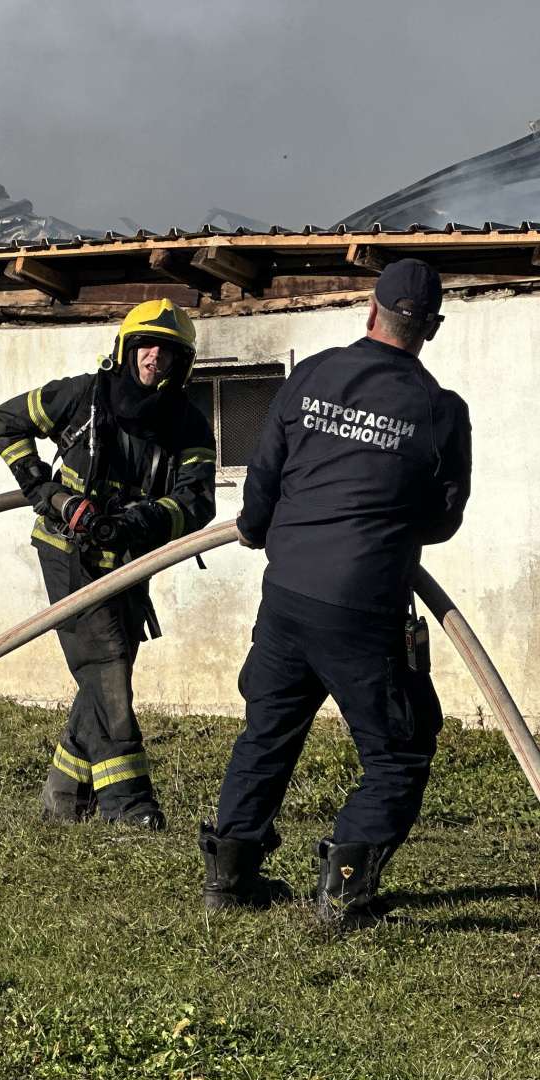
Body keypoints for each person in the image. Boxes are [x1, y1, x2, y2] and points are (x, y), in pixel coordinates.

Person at [201, 258, 472, 923]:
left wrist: (261, 528)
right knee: (400, 749)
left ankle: (229, 882)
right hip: (363, 605)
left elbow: (262, 477)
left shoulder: (312, 374)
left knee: (268, 730)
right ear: (430, 329)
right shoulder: (439, 411)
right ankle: (344, 892)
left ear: (370, 311)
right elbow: (443, 517)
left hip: (288, 592)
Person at [0, 300, 216, 830]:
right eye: (147, 346)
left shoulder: (187, 424)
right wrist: (47, 492)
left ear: (183, 364)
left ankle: (65, 797)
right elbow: (6, 422)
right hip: (68, 551)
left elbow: (199, 501)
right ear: (126, 349)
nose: (155, 358)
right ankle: (128, 805)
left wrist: (142, 521)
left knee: (107, 669)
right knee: (106, 664)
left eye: (168, 352)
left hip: (132, 561)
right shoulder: (82, 397)